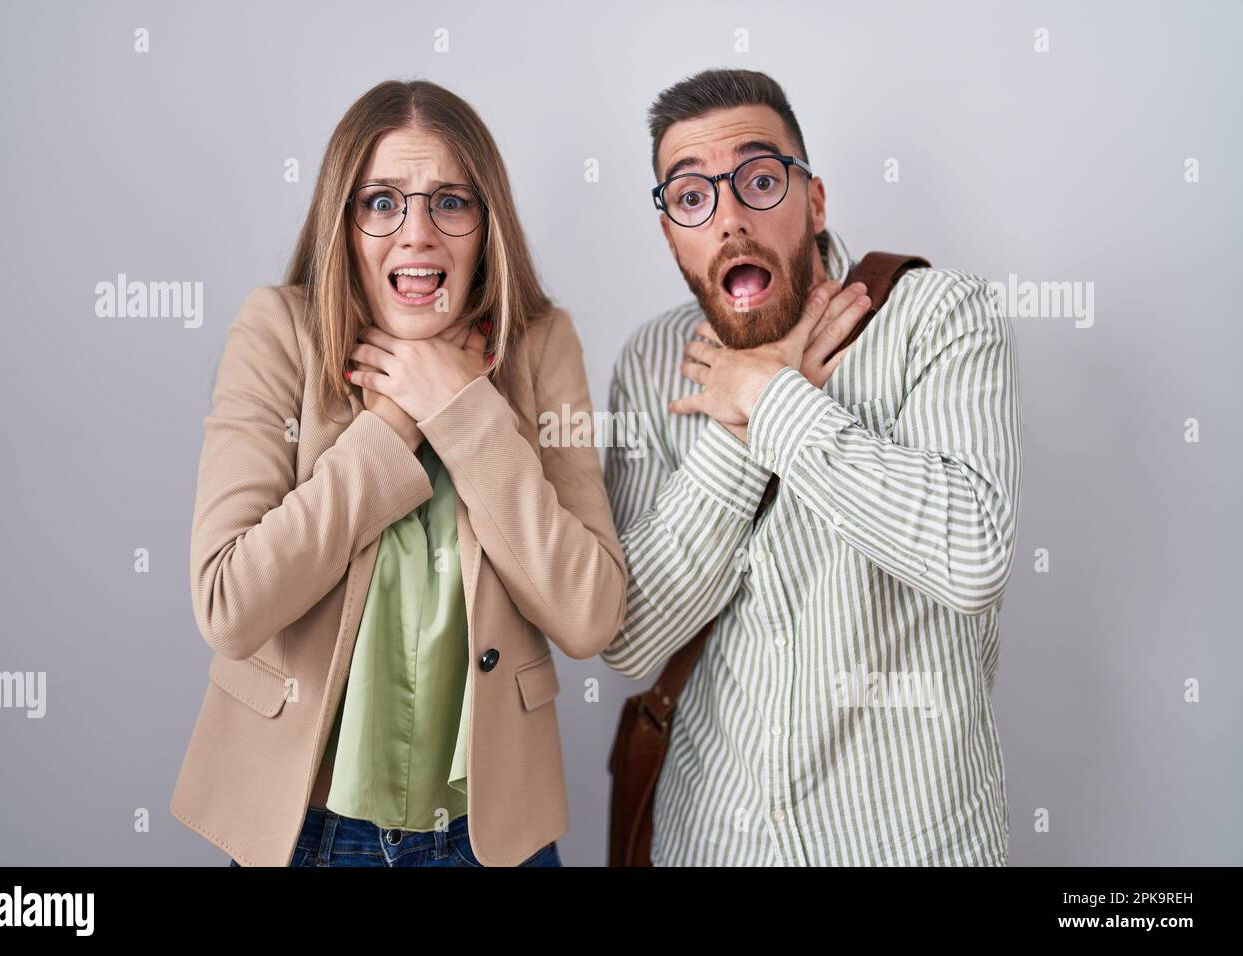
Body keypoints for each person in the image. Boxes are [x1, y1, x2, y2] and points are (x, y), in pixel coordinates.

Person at [170, 79, 627, 867]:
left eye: (450, 201)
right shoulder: (278, 332)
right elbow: (230, 604)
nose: (416, 234)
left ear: (487, 225)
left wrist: (464, 411)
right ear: (342, 223)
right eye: (381, 202)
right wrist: (393, 425)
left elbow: (589, 613)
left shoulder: (542, 345)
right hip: (310, 833)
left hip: (490, 839)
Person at [602, 68, 1023, 865]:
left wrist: (773, 402)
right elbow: (628, 637)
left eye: (759, 181)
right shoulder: (652, 362)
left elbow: (972, 559)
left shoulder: (941, 317)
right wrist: (733, 436)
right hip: (715, 841)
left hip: (910, 846)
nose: (727, 218)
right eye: (691, 198)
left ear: (815, 200)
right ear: (670, 235)